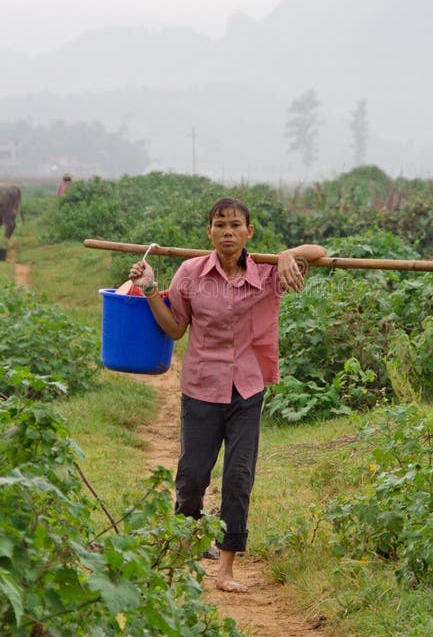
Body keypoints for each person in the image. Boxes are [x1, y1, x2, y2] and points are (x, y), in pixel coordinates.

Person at [129, 197, 326, 593]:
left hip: (248, 388)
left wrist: (289, 254)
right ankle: (183, 559)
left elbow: (321, 253)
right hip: (202, 387)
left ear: (249, 233)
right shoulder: (190, 274)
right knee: (191, 477)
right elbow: (175, 329)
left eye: (236, 225)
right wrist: (150, 289)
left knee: (238, 477)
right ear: (209, 232)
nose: (228, 233)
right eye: (220, 225)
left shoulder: (269, 272)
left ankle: (226, 569)